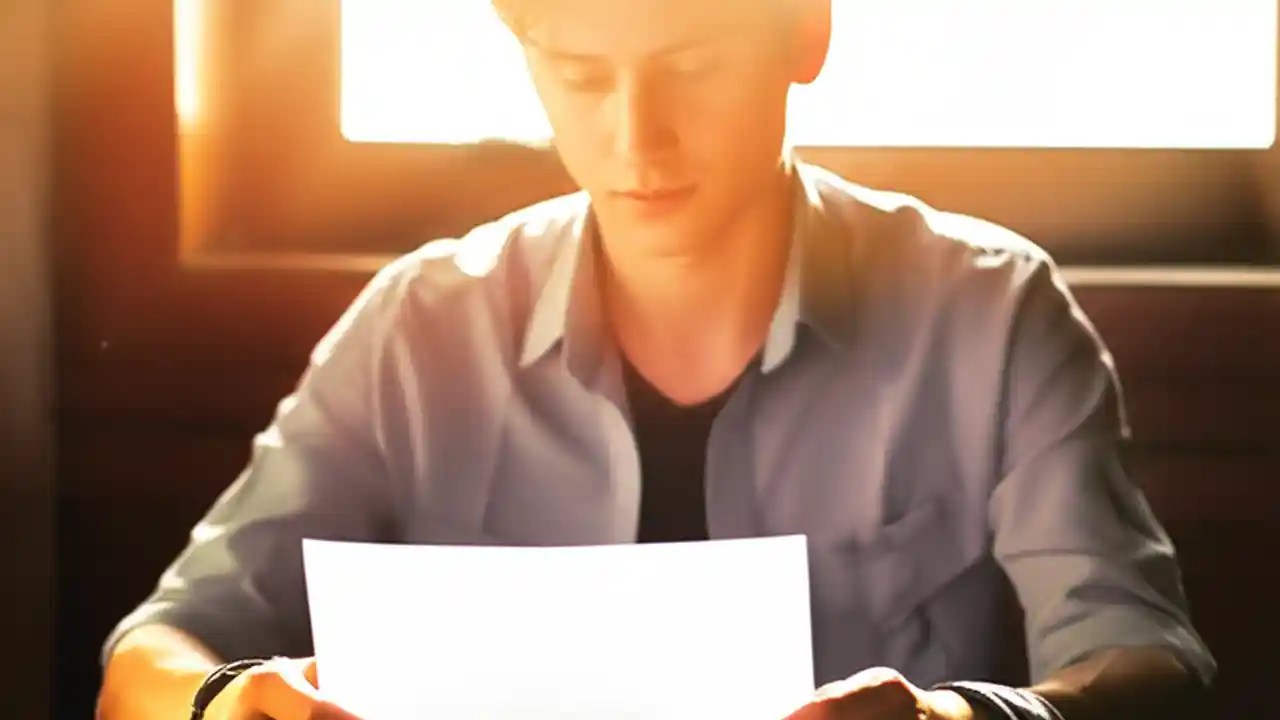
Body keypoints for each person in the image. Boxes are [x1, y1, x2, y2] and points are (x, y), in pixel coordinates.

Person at [96, 0, 1215, 718]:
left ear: (804, 32)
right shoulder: (421, 324)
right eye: (581, 77)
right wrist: (225, 706)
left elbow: (1151, 669)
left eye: (688, 66)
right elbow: (146, 657)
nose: (635, 141)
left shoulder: (989, 311)